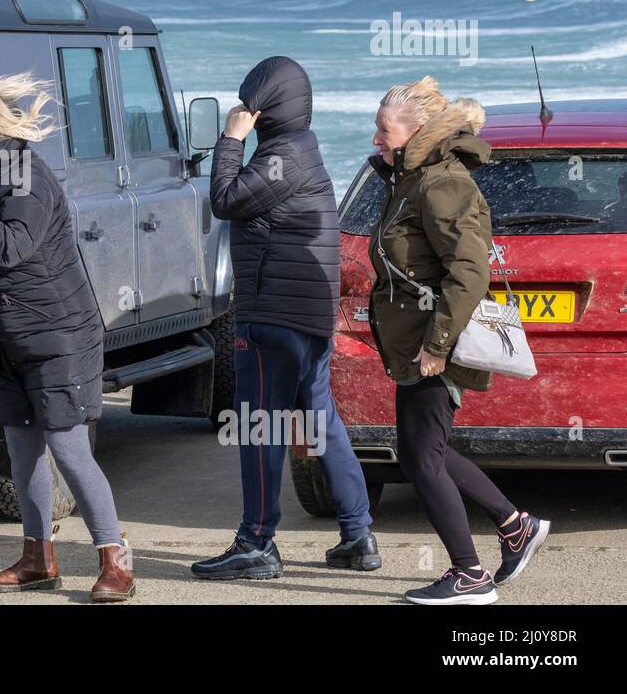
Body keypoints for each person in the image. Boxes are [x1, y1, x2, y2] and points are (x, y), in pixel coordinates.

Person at [0, 73, 134, 602]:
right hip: (12, 336)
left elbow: (6, 251)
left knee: (68, 449)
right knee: (20, 453)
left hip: (60, 336)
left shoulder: (28, 178)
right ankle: (37, 558)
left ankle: (116, 562)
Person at [192, 55, 380, 581]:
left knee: (259, 427)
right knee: (320, 422)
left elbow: (225, 200)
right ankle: (357, 535)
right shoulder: (302, 150)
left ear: (264, 107)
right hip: (305, 317)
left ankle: (255, 542)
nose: (243, 112)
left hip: (272, 316)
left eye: (249, 104)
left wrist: (230, 139)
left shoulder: (281, 160)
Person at [368, 77, 549, 605]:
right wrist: (390, 165)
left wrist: (437, 345)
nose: (376, 136)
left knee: (421, 459)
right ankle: (516, 526)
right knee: (425, 450)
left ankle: (469, 576)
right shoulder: (413, 176)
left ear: (417, 130)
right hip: (415, 339)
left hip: (435, 342)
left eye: (384, 128)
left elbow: (468, 272)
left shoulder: (442, 183)